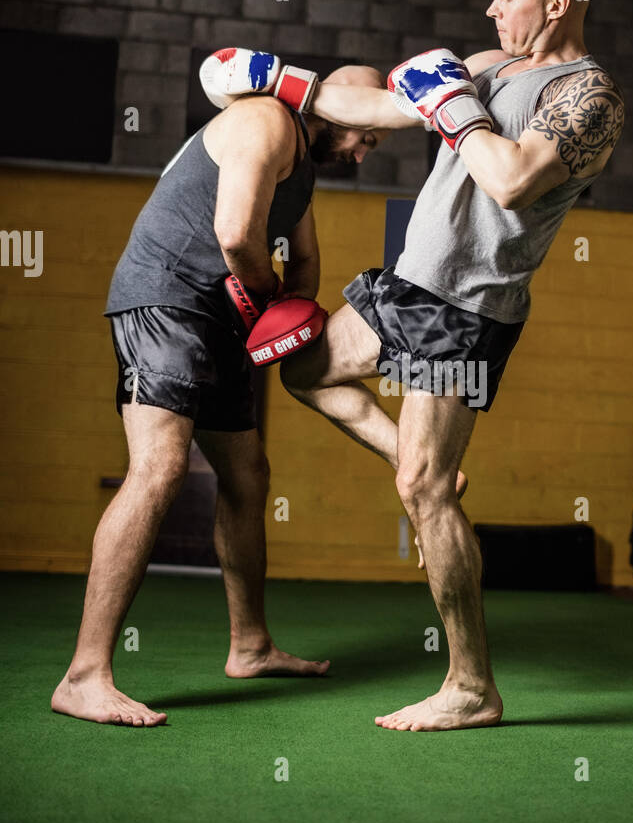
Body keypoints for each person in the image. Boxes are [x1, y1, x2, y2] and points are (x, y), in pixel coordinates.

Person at [212, 0, 625, 733]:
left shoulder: (589, 96)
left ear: (559, 2)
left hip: (469, 307)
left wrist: (456, 110)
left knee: (423, 492)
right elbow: (375, 106)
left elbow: (509, 180)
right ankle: (413, 458)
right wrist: (278, 79)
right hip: (409, 283)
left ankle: (472, 686)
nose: (492, 6)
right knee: (301, 369)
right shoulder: (489, 64)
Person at [51, 66, 386, 726]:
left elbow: (308, 262)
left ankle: (251, 645)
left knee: (247, 474)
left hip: (225, 316)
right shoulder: (266, 120)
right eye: (367, 137)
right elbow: (235, 234)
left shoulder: (303, 172)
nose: (362, 153)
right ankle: (84, 674)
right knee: (160, 467)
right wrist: (266, 296)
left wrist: (296, 311)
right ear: (341, 110)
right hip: (168, 298)